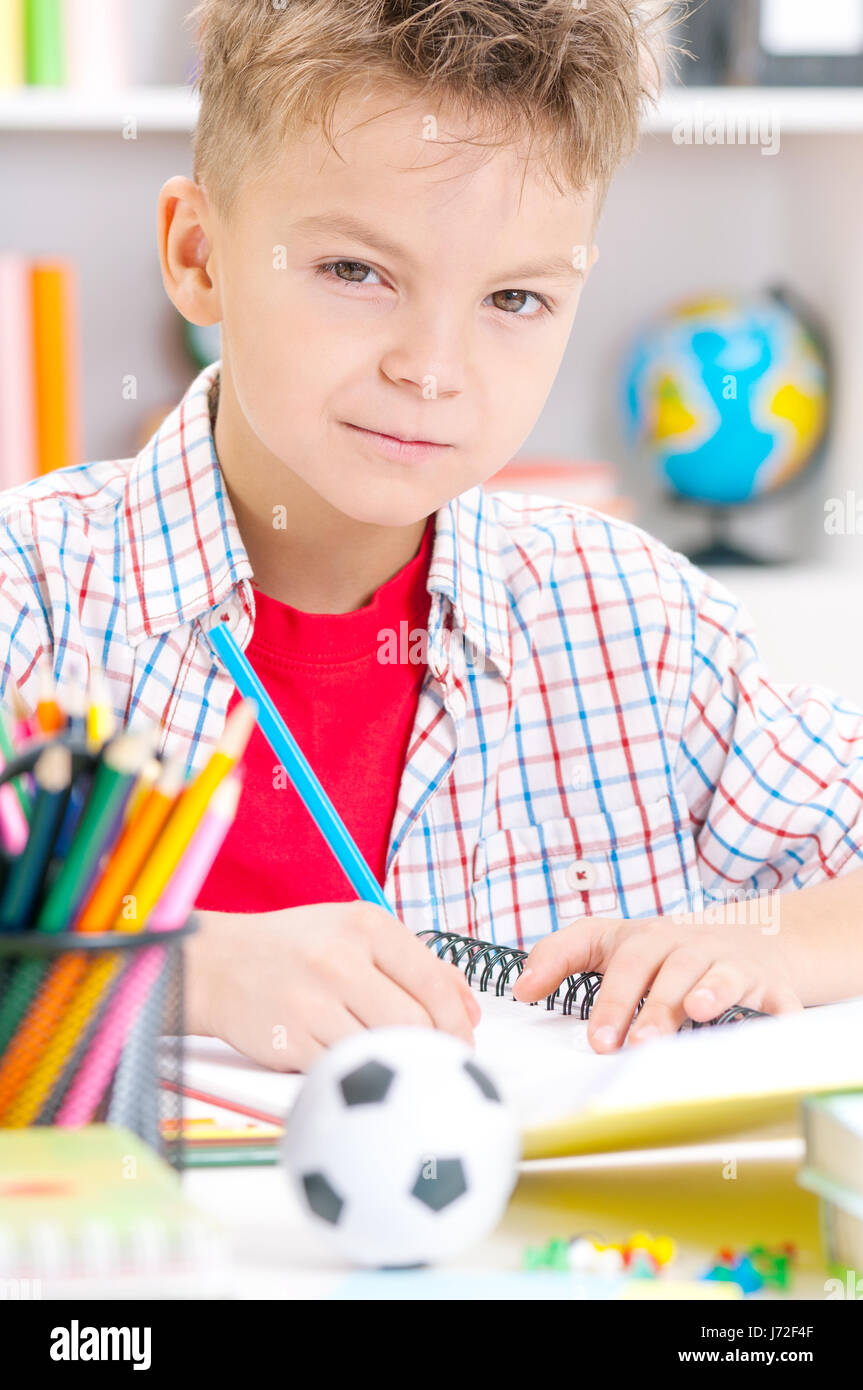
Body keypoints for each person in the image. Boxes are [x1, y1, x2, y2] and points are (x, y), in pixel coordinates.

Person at [2, 1, 862, 1070]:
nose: (432, 369)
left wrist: (761, 937)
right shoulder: (32, 594)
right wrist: (192, 971)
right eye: (355, 272)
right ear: (199, 255)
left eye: (511, 296)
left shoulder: (639, 625)